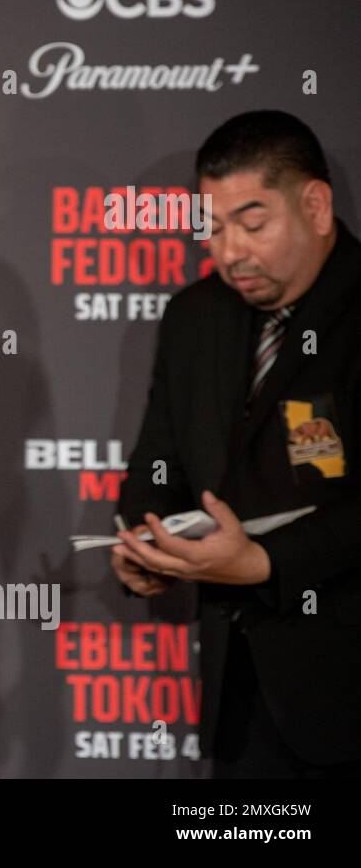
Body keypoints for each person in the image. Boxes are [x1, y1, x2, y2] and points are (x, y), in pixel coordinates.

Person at [113, 110, 361, 778]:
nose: (230, 251)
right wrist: (146, 541)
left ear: (315, 204)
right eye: (214, 227)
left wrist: (263, 562)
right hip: (238, 692)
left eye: (253, 225)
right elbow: (156, 460)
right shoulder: (195, 316)